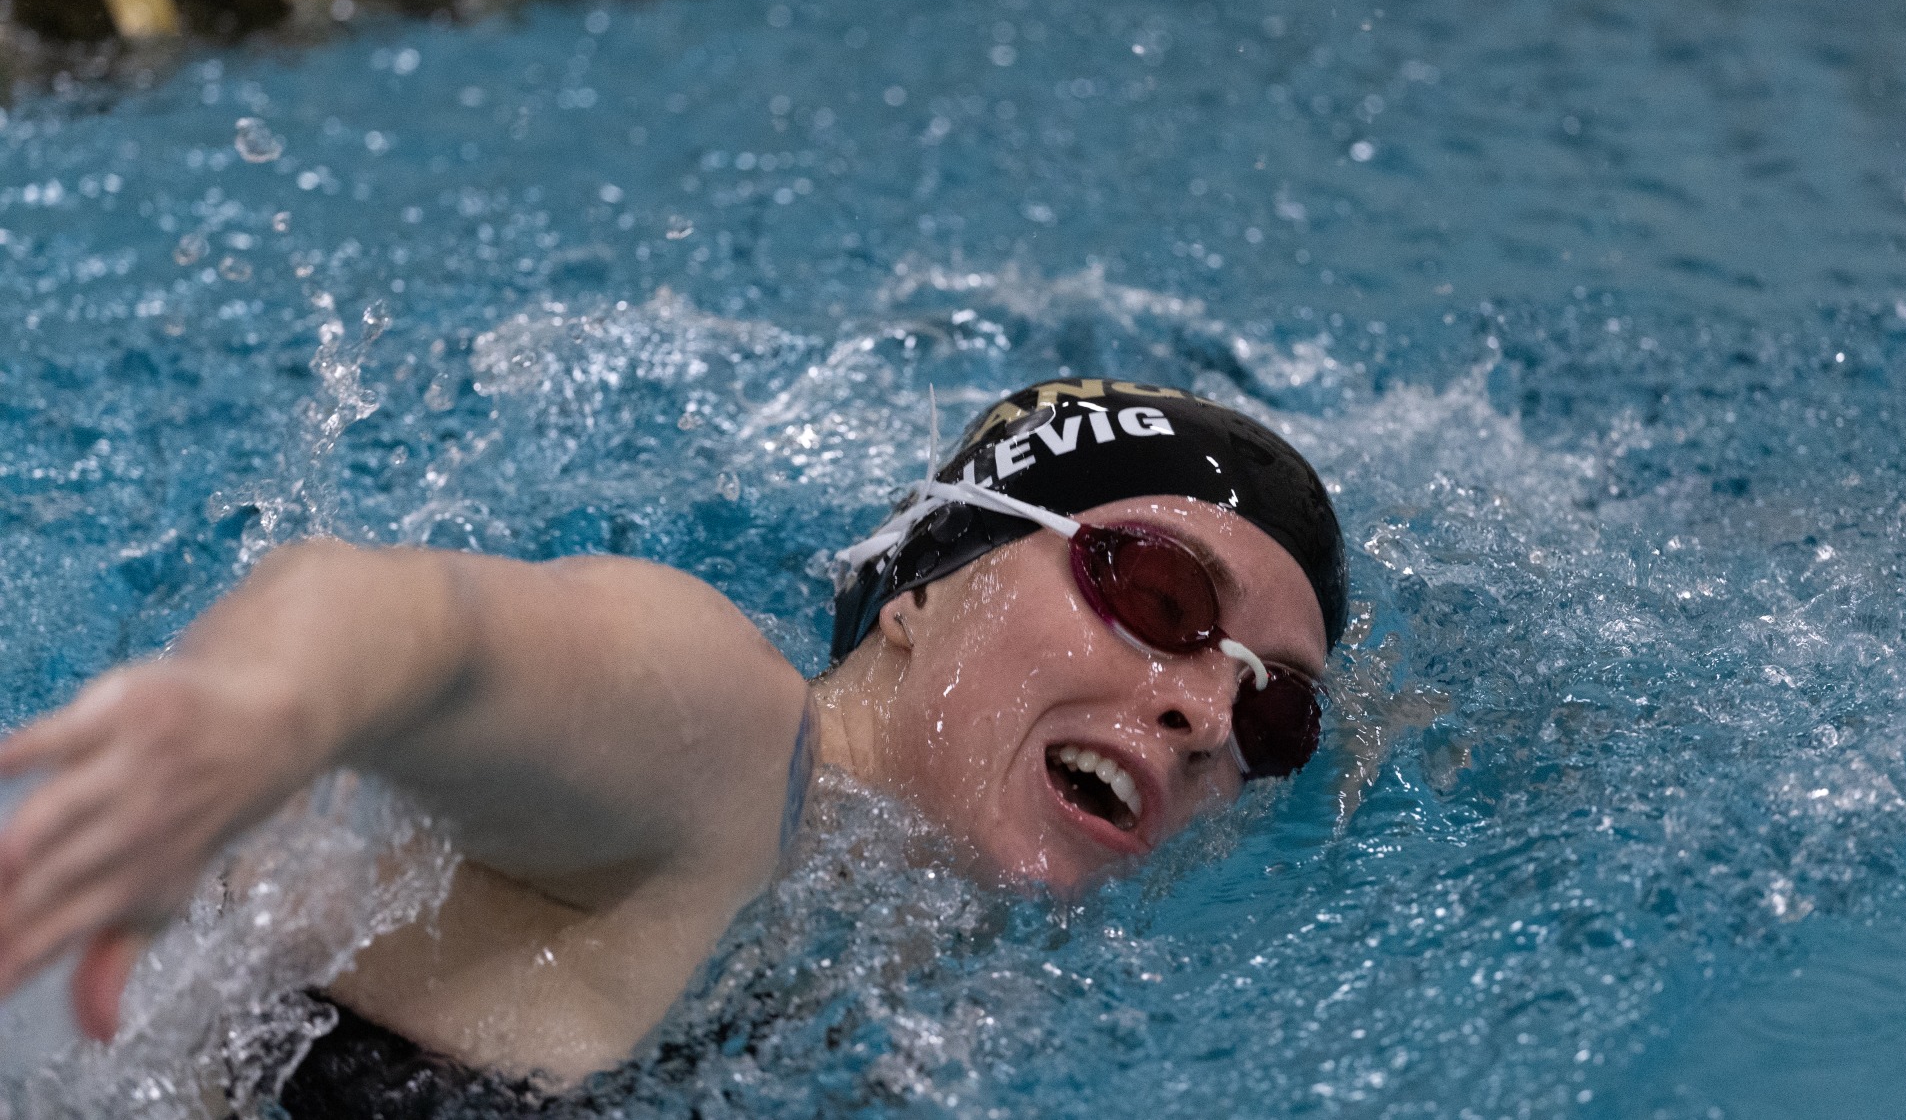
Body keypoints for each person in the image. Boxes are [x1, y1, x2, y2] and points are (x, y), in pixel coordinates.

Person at [0, 377, 1347, 1108]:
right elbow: (411, 620)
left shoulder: (908, 956)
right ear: (925, 592)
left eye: (1271, 711)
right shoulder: (738, 751)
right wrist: (255, 715)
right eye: (1157, 595)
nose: (1204, 714)